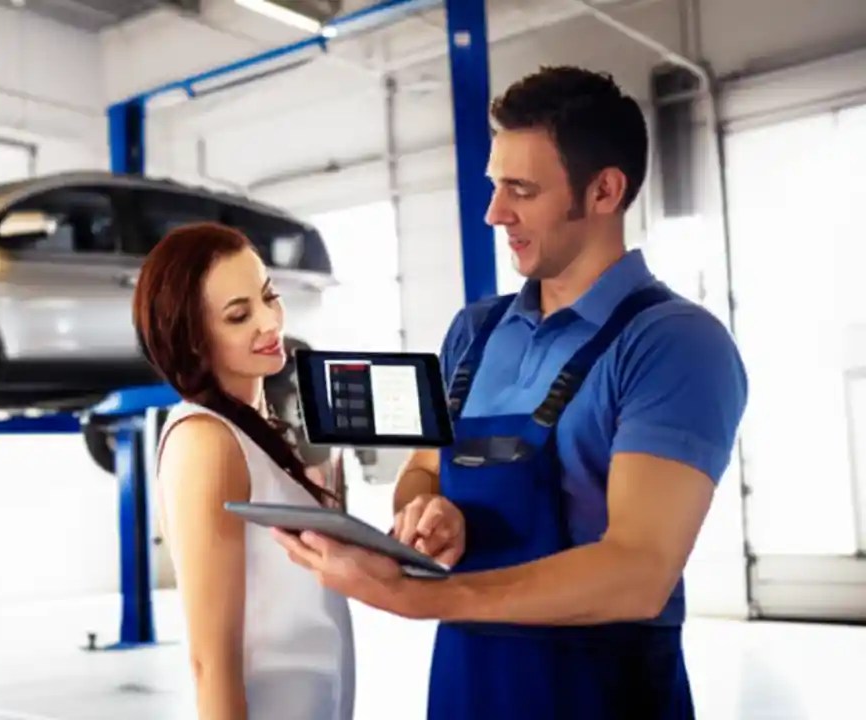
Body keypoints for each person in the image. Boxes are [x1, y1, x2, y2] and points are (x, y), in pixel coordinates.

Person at [273, 65, 749, 719]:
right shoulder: (474, 332)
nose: (495, 212)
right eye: (496, 185)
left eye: (521, 190)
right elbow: (422, 468)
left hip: (603, 698)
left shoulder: (673, 345)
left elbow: (641, 571)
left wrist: (421, 598)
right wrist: (425, 516)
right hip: (468, 690)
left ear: (605, 190)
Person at [132, 222, 355, 720]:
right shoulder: (206, 441)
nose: (270, 322)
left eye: (269, 296)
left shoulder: (260, 433)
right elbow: (210, 662)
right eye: (239, 315)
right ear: (193, 340)